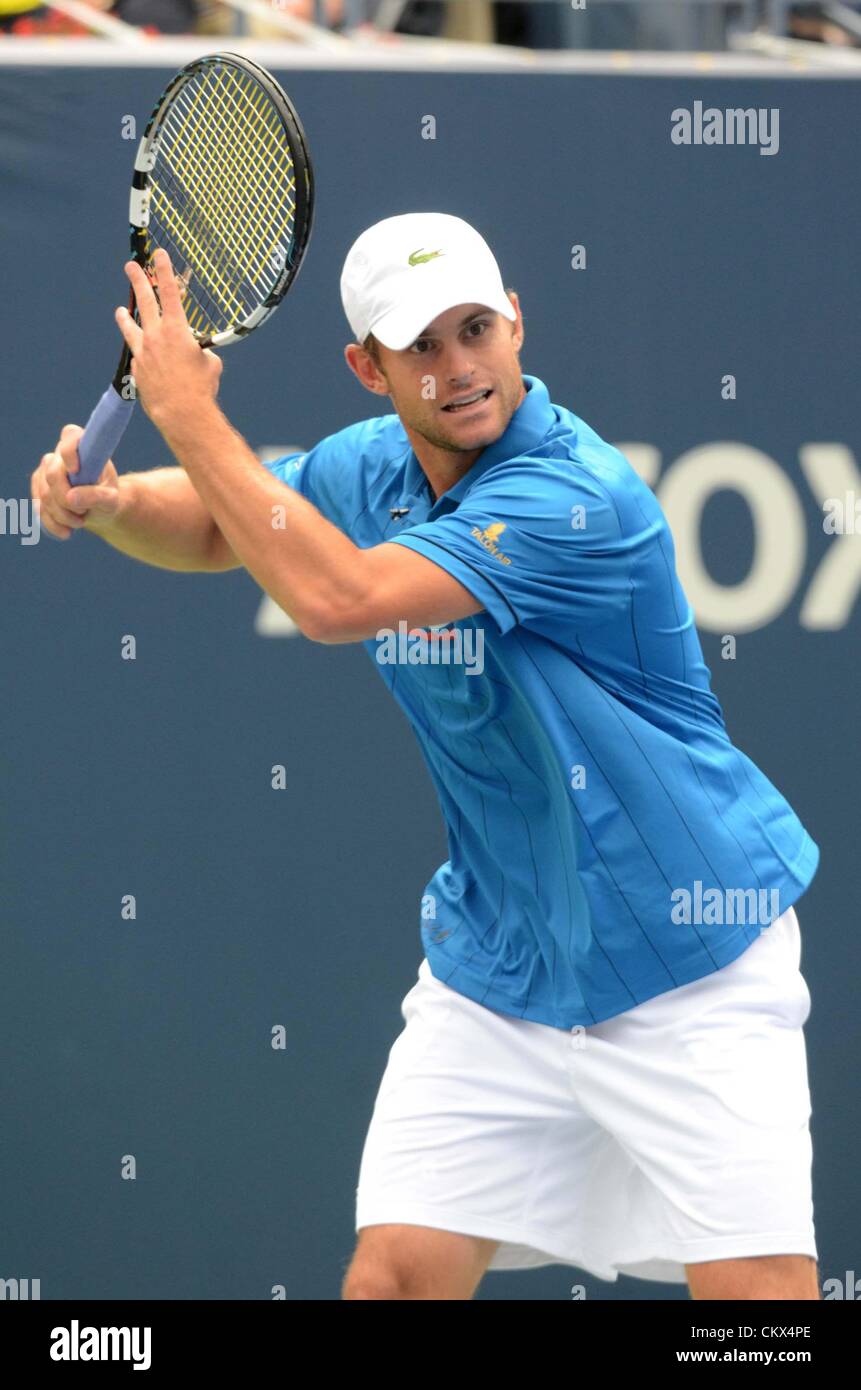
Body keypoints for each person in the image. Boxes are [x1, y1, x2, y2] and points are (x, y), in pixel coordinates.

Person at [31, 212, 821, 1301]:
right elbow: (225, 523)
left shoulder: (575, 494)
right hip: (500, 966)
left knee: (759, 1305)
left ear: (515, 324)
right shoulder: (371, 470)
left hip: (690, 955)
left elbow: (335, 596)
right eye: (424, 346)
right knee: (392, 1280)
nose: (460, 368)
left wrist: (183, 412)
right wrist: (117, 500)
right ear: (369, 368)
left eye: (476, 328)